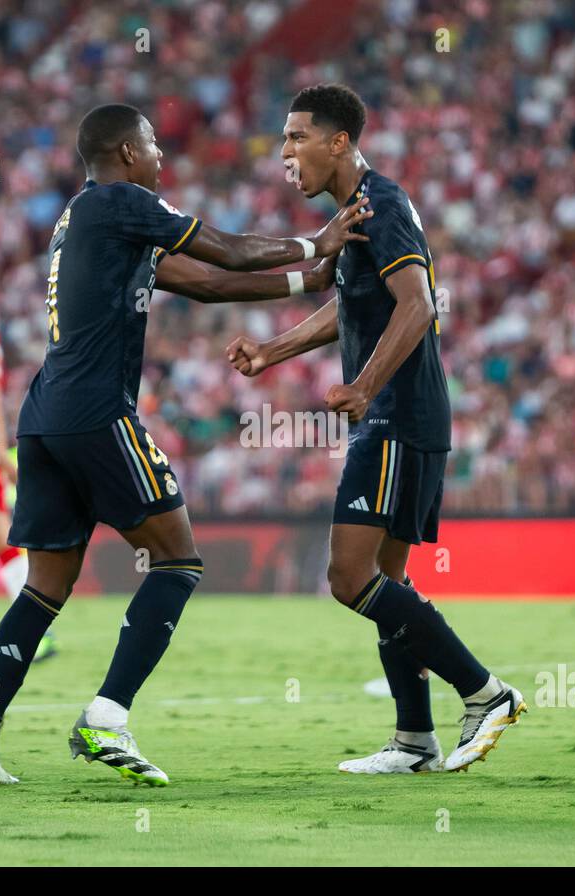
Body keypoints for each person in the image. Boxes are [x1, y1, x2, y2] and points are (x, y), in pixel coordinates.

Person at [0, 102, 364, 788]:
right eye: (150, 146)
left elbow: (205, 283)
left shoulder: (84, 220)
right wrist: (312, 243)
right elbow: (227, 249)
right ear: (121, 156)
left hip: (45, 420)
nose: (161, 158)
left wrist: (305, 281)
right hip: (96, 416)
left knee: (44, 589)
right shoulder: (121, 202)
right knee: (178, 560)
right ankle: (106, 716)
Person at [227, 84, 523, 774]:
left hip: (396, 417)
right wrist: (275, 351)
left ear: (339, 143)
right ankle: (415, 740)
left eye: (298, 137)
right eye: (283, 139)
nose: (286, 153)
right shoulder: (359, 210)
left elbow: (417, 306)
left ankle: (486, 692)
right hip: (394, 416)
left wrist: (363, 387)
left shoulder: (381, 205)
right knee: (388, 579)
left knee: (348, 576)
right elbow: (356, 308)